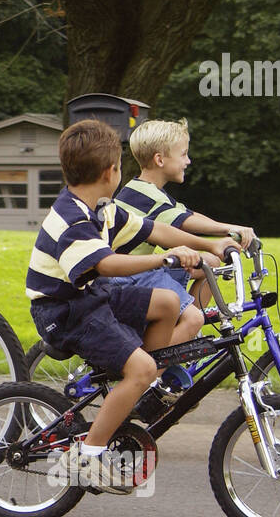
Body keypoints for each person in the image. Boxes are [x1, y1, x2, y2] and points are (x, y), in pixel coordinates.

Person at [26, 119, 229, 493]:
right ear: (111, 172)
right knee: (141, 366)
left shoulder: (101, 207)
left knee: (168, 302)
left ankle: (141, 390)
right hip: (65, 312)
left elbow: (154, 229)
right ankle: (86, 456)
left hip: (92, 295)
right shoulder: (72, 219)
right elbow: (106, 264)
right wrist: (162, 260)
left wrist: (209, 245)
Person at [115, 118, 257, 311]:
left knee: (212, 262)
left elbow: (187, 214)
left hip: (137, 273)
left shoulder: (144, 190)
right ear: (159, 160)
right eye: (183, 155)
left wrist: (229, 229)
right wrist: (227, 230)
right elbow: (184, 223)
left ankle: (192, 332)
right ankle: (188, 328)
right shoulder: (145, 197)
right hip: (127, 279)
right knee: (208, 265)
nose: (188, 161)